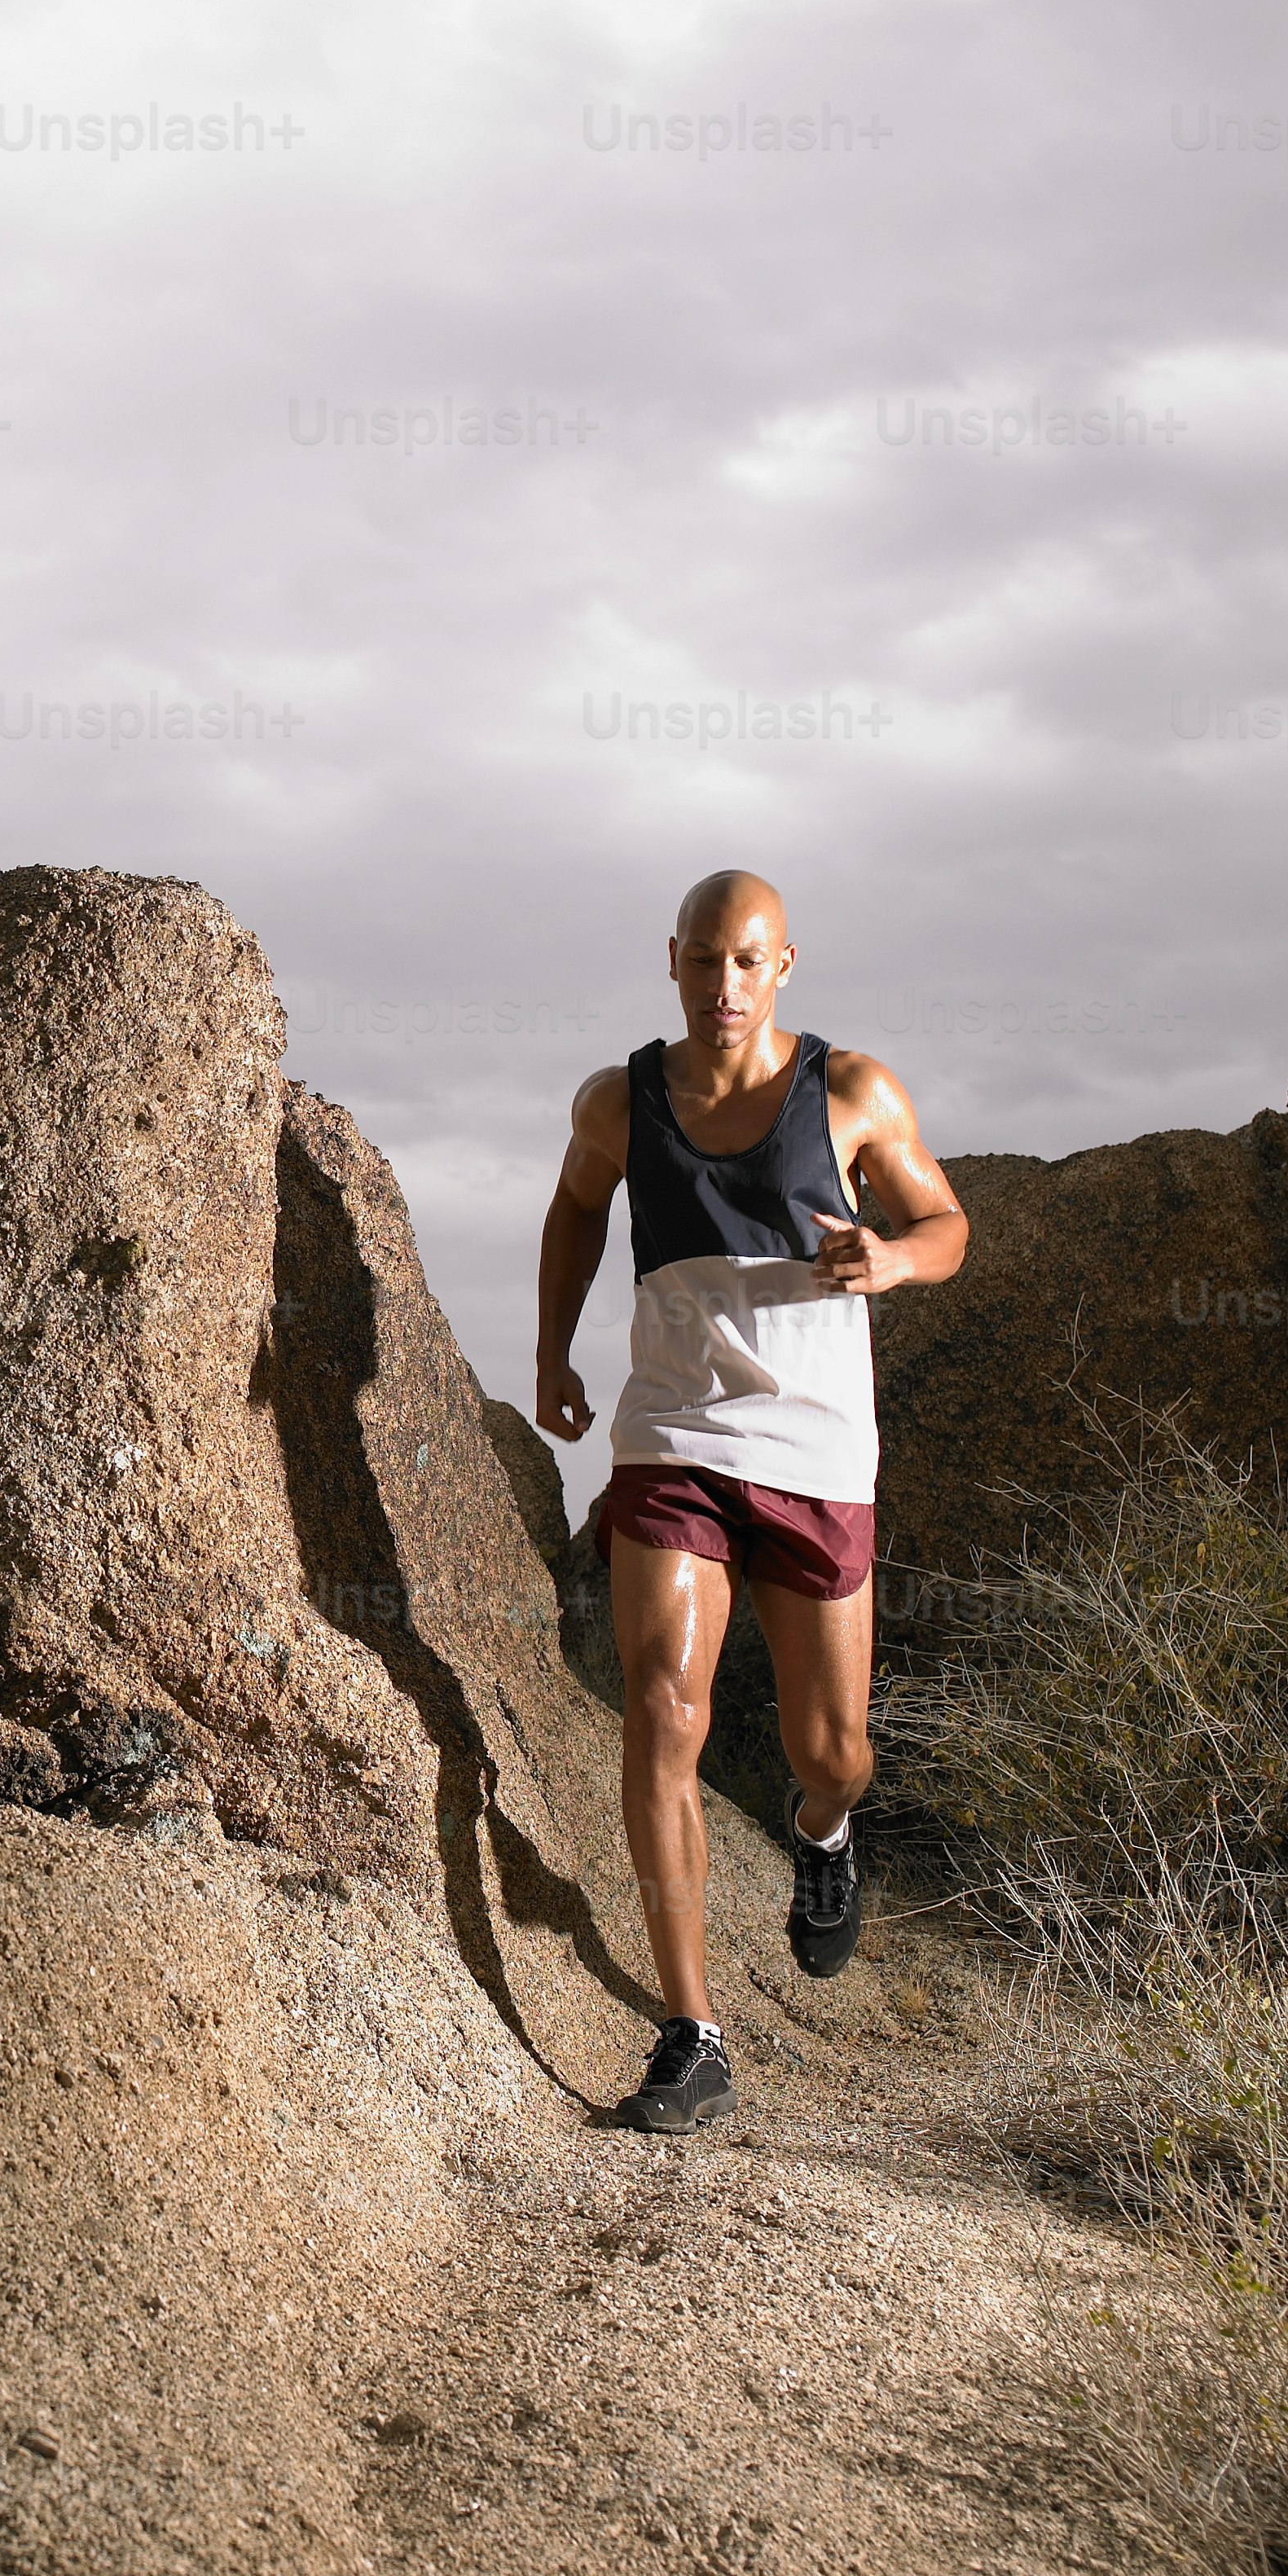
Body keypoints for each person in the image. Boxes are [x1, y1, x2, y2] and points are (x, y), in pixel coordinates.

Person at [534, 869, 967, 2133]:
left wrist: (890, 1256)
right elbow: (573, 1207)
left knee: (831, 1750)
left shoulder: (850, 1094)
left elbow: (946, 1224)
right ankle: (691, 2030)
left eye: (747, 963)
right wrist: (556, 1351)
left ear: (785, 967)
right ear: (671, 960)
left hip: (819, 1454)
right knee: (662, 1706)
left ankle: (823, 1839)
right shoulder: (620, 1102)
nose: (722, 987)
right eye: (702, 961)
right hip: (672, 1437)